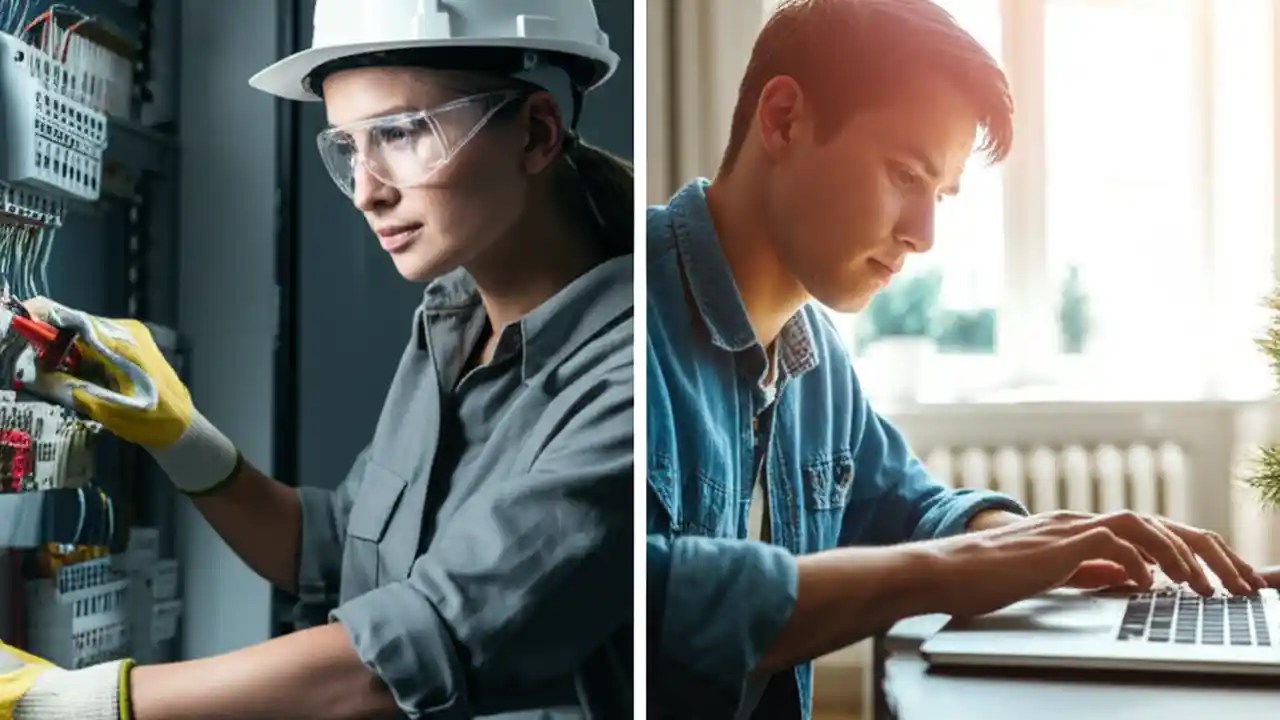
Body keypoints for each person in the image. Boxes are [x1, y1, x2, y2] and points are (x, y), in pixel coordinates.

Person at [0, 0, 633, 718]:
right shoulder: (451, 326)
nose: (367, 190)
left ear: (538, 132)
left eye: (399, 133)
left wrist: (71, 702)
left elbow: (409, 655)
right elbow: (333, 556)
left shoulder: (631, 387)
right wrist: (183, 438)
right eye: (348, 148)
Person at [646, 1, 1278, 717]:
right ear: (785, 118)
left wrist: (1050, 545)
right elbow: (625, 602)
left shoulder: (811, 354)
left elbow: (912, 508)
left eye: (940, 194)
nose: (923, 235)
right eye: (905, 174)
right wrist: (948, 570)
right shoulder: (613, 308)